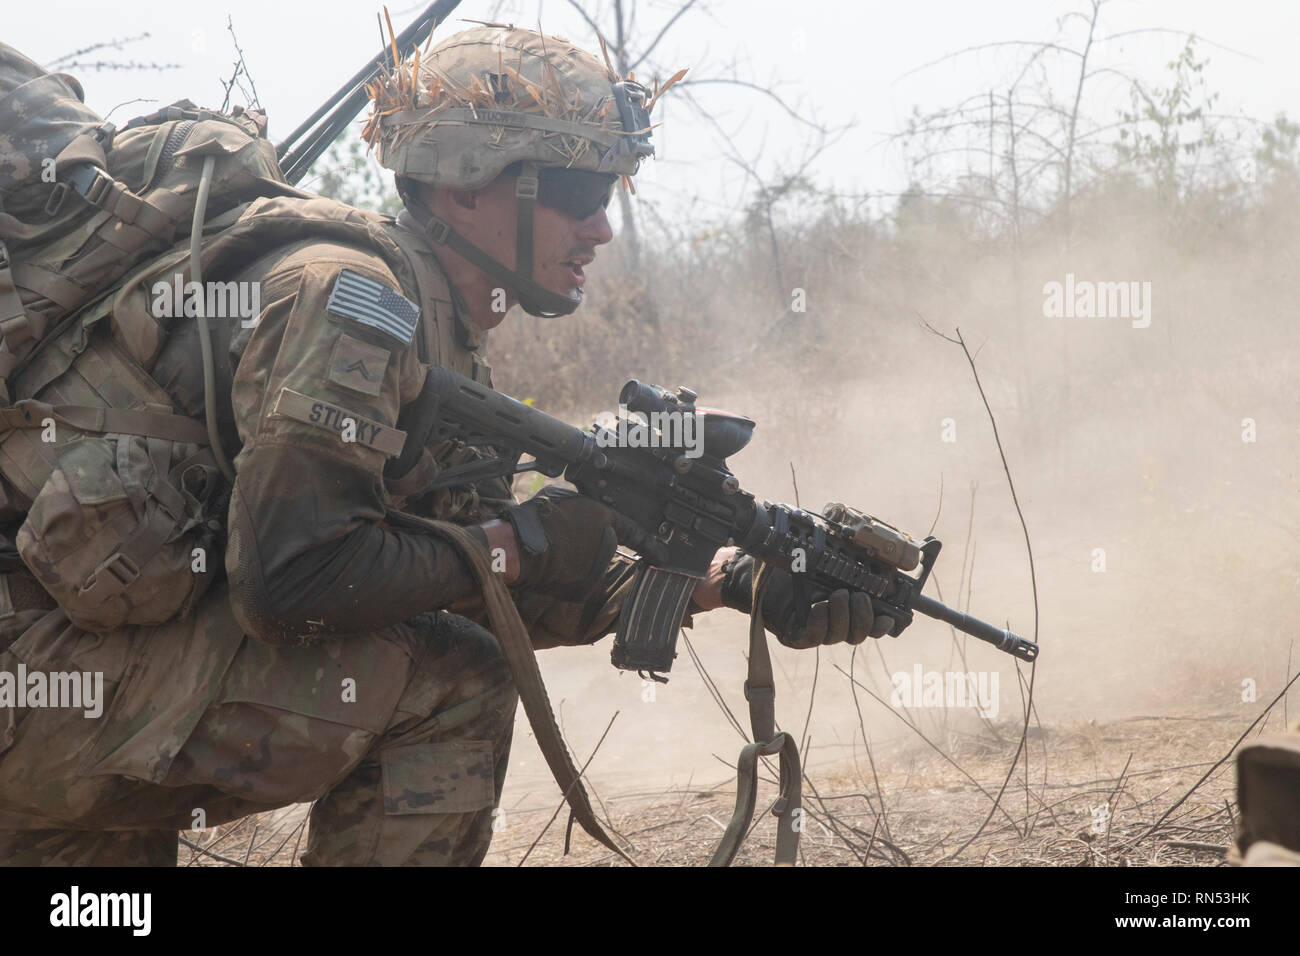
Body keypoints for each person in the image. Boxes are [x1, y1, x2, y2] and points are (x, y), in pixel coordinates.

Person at [0, 25, 886, 866]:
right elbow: (295, 580)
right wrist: (520, 544)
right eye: (580, 194)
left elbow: (469, 572)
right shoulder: (350, 300)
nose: (601, 229)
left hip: (66, 676)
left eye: (608, 196)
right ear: (467, 185)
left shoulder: (434, 331)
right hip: (44, 685)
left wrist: (731, 583)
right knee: (455, 680)